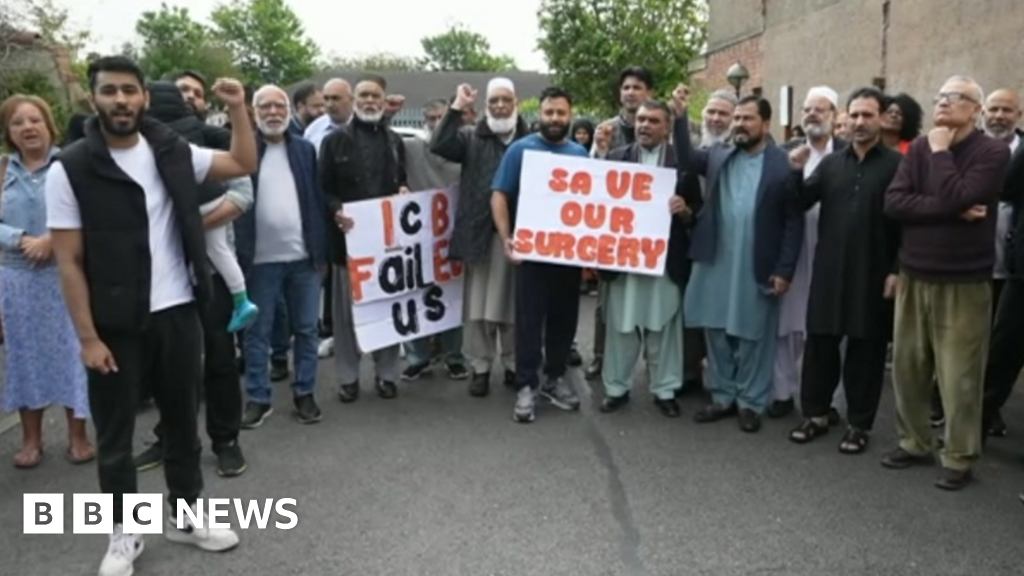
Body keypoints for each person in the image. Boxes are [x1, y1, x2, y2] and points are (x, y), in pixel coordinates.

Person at [46, 56, 257, 574]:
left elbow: (243, 164)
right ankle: (124, 534)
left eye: (130, 91)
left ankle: (186, 517)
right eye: (110, 91)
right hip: (115, 325)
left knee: (184, 424)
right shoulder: (71, 166)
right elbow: (68, 261)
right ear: (93, 99)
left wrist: (239, 109)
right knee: (116, 436)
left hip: (179, 313)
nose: (121, 100)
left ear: (143, 96)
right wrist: (88, 338)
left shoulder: (171, 149)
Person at [881, 75, 1009, 491]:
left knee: (960, 375)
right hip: (916, 273)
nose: (941, 105)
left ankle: (958, 456)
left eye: (953, 99)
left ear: (976, 109)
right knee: (908, 367)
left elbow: (965, 193)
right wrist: (950, 208)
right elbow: (894, 202)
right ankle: (914, 442)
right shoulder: (917, 148)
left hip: (964, 280)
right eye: (938, 98)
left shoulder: (990, 151)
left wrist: (940, 153)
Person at [673, 86, 804, 434]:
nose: (741, 124)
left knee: (752, 336)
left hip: (757, 263)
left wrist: (784, 269)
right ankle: (723, 396)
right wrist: (681, 116)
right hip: (716, 259)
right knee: (715, 328)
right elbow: (686, 157)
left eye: (748, 119)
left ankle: (750, 402)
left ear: (765, 123)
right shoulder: (719, 153)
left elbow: (794, 221)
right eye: (738, 118)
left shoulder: (783, 163)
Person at [786, 87, 902, 453]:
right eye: (854, 116)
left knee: (866, 350)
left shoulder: (898, 166)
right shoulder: (831, 164)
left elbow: (907, 225)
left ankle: (859, 424)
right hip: (829, 269)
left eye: (868, 115)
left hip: (875, 270)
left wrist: (897, 269)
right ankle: (816, 414)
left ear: (881, 119)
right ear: (846, 119)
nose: (860, 122)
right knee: (820, 341)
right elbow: (801, 201)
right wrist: (793, 172)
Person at [0, 94, 93, 469]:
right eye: (18, 122)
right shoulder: (3, 170)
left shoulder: (71, 165)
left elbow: (91, 213)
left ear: (48, 124)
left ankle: (78, 438)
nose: (28, 128)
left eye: (34, 119)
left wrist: (52, 240)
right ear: (9, 131)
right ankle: (31, 440)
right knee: (25, 359)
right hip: (16, 280)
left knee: (74, 355)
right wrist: (20, 238)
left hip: (65, 275)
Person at [593, 100, 701, 417]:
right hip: (624, 260)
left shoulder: (682, 164)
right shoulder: (616, 158)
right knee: (620, 327)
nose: (644, 125)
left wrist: (685, 211)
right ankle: (616, 388)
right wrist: (598, 155)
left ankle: (665, 389)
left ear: (667, 127)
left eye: (653, 120)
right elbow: (595, 202)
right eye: (641, 120)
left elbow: (697, 210)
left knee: (664, 326)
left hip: (664, 261)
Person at [491, 86, 590, 423]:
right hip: (532, 254)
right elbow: (499, 195)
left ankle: (554, 378)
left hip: (569, 255)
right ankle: (526, 385)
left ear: (569, 114)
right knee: (529, 322)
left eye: (561, 113)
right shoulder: (520, 150)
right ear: (539, 115)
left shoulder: (580, 153)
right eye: (549, 112)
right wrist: (507, 238)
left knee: (564, 320)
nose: (554, 119)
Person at [432, 78, 529, 396]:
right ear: (485, 106)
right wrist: (457, 107)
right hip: (479, 235)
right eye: (493, 102)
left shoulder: (531, 139)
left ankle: (514, 364)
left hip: (519, 235)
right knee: (478, 309)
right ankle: (481, 367)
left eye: (505, 100)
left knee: (515, 307)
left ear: (516, 101)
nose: (500, 107)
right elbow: (439, 144)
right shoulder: (471, 137)